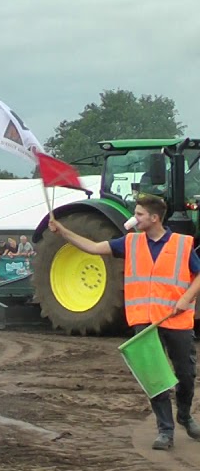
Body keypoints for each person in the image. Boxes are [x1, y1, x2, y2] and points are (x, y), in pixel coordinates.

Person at [49, 193, 200, 450]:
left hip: (177, 320)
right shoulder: (130, 243)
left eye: (139, 214)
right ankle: (165, 430)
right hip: (144, 321)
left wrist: (186, 298)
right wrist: (63, 232)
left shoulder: (183, 244)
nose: (135, 218)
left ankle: (184, 415)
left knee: (185, 375)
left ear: (154, 218)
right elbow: (94, 248)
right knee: (154, 377)